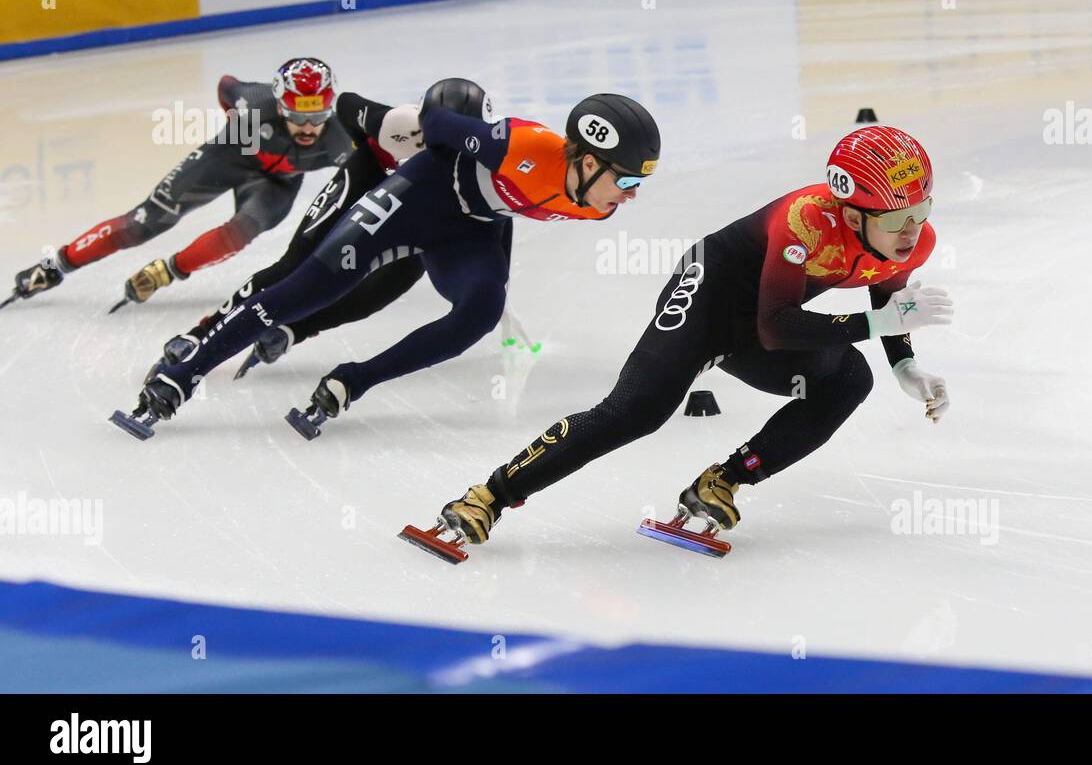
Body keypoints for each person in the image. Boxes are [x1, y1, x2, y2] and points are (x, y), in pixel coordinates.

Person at [421, 125, 954, 557]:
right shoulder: (806, 222)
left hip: (762, 321)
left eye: (922, 211)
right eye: (901, 219)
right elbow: (777, 325)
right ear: (853, 213)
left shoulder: (911, 239)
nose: (914, 231)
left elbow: (888, 299)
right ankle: (488, 496)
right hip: (708, 299)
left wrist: (904, 364)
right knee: (635, 412)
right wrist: (879, 326)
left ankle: (722, 481)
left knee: (847, 379)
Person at [110, 92, 661, 440]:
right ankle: (179, 376)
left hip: (468, 228)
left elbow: (513, 207)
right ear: (588, 161)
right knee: (307, 288)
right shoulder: (521, 145)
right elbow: (440, 122)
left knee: (479, 312)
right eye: (630, 180)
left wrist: (497, 272)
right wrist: (416, 126)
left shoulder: (599, 201)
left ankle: (352, 383)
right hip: (416, 195)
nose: (632, 195)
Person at [147, 78, 494, 380]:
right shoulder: (398, 123)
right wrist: (364, 151)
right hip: (370, 174)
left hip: (417, 205)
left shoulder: (486, 161)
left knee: (380, 291)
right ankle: (201, 334)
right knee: (296, 263)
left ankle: (293, 329)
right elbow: (346, 105)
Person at [5, 58, 353, 312]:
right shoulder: (254, 102)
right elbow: (225, 86)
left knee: (239, 233)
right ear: (279, 106)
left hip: (277, 185)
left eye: (318, 115)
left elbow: (367, 177)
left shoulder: (339, 141)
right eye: (298, 115)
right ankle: (56, 265)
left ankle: (166, 272)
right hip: (229, 156)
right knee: (141, 224)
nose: (308, 127)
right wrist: (237, 129)